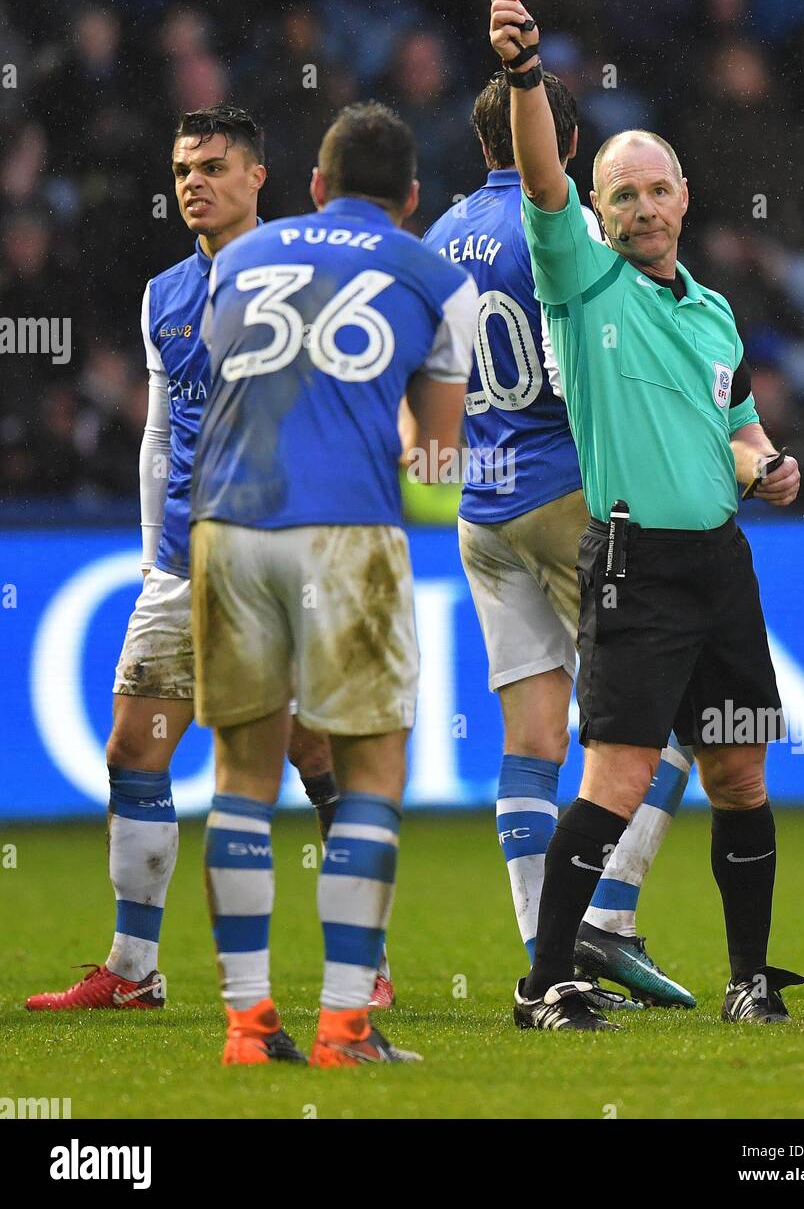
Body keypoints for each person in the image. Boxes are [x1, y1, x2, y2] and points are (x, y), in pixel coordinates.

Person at [488, 0, 804, 1031]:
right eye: (616, 194)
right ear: (596, 207)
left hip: (719, 562)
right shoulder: (578, 281)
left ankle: (749, 979)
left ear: (683, 195)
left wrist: (763, 465)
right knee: (617, 775)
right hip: (630, 561)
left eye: (653, 191)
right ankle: (547, 982)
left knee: (738, 770)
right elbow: (539, 176)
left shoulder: (710, 310)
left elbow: (738, 421)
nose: (637, 209)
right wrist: (525, 75)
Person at [24, 105, 344, 1012]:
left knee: (310, 743)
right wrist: (149, 556)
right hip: (178, 558)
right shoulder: (164, 293)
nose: (192, 183)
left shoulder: (307, 280)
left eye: (211, 166)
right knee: (134, 747)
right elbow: (160, 433)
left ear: (256, 177)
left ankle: (370, 950)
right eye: (180, 171)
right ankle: (132, 971)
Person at [189, 101, 478, 1066]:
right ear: (412, 199)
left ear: (313, 185)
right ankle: (346, 1026)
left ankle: (244, 1023)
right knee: (369, 775)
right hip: (343, 531)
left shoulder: (236, 260)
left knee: (239, 780)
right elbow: (436, 469)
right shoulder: (434, 274)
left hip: (225, 528)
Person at [423, 70, 694, 1008]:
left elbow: (427, 394)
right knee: (667, 719)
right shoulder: (568, 226)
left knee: (531, 739)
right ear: (564, 146)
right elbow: (587, 367)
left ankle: (546, 969)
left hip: (478, 511)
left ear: (479, 141)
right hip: (567, 496)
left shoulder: (435, 241)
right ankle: (604, 924)